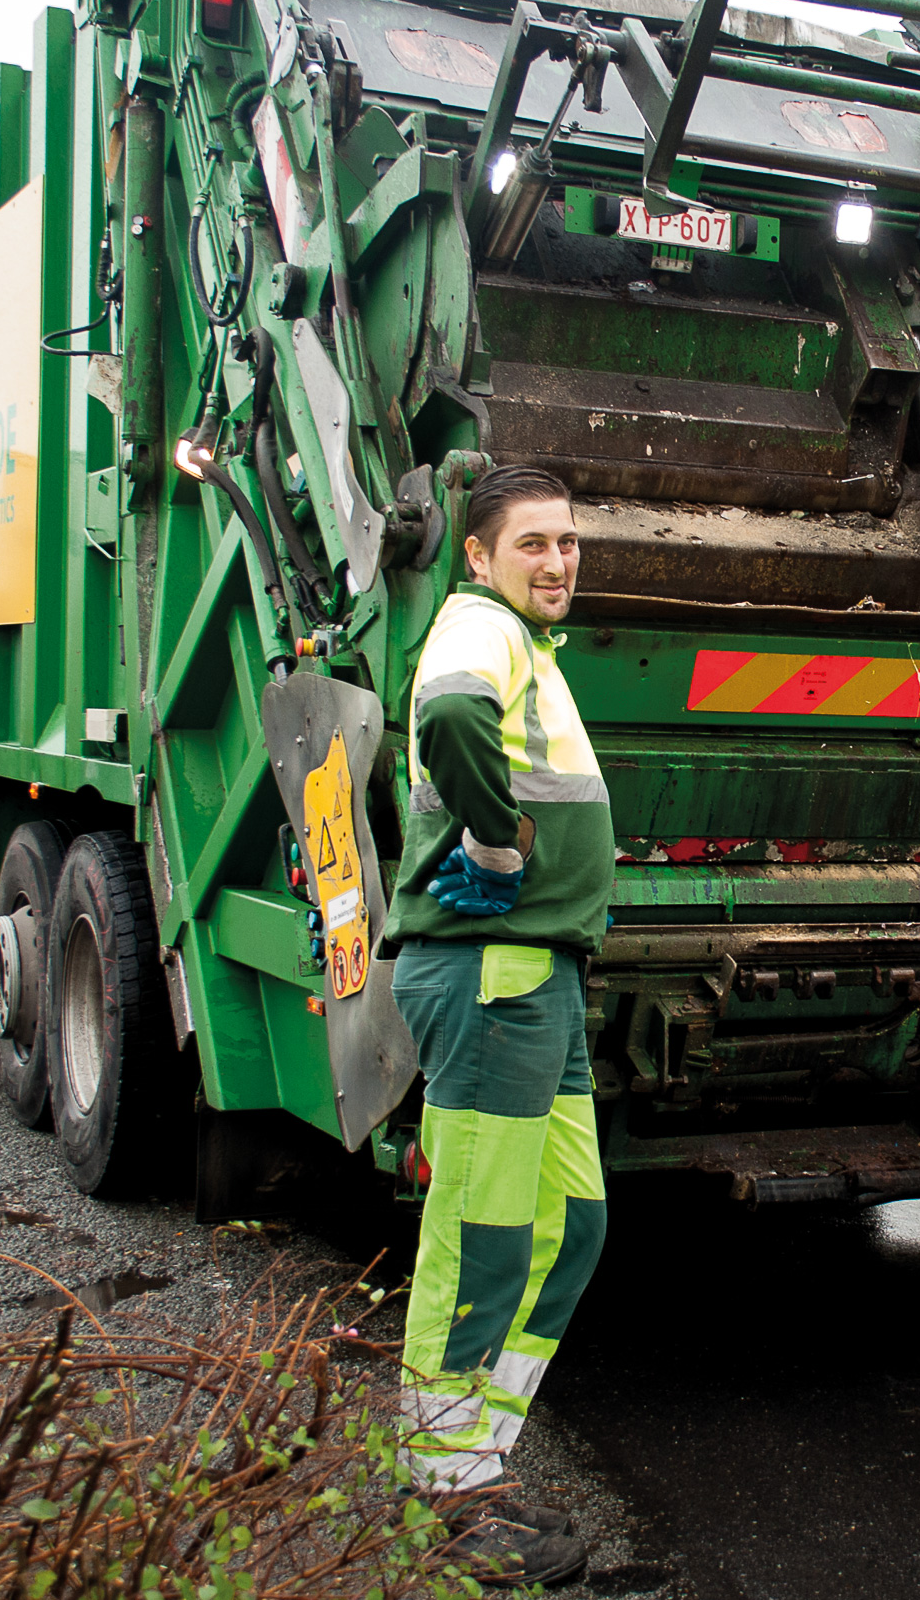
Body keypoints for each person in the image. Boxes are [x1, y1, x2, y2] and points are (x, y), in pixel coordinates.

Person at [383, 464, 614, 1585]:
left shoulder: (529, 645)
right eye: (532, 543)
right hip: (490, 974)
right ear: (478, 555)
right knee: (480, 1235)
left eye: (567, 542)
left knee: (569, 1225)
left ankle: (478, 1452)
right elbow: (450, 715)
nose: (556, 561)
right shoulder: (479, 627)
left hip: (536, 975)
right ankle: (442, 1484)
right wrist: (493, 843)